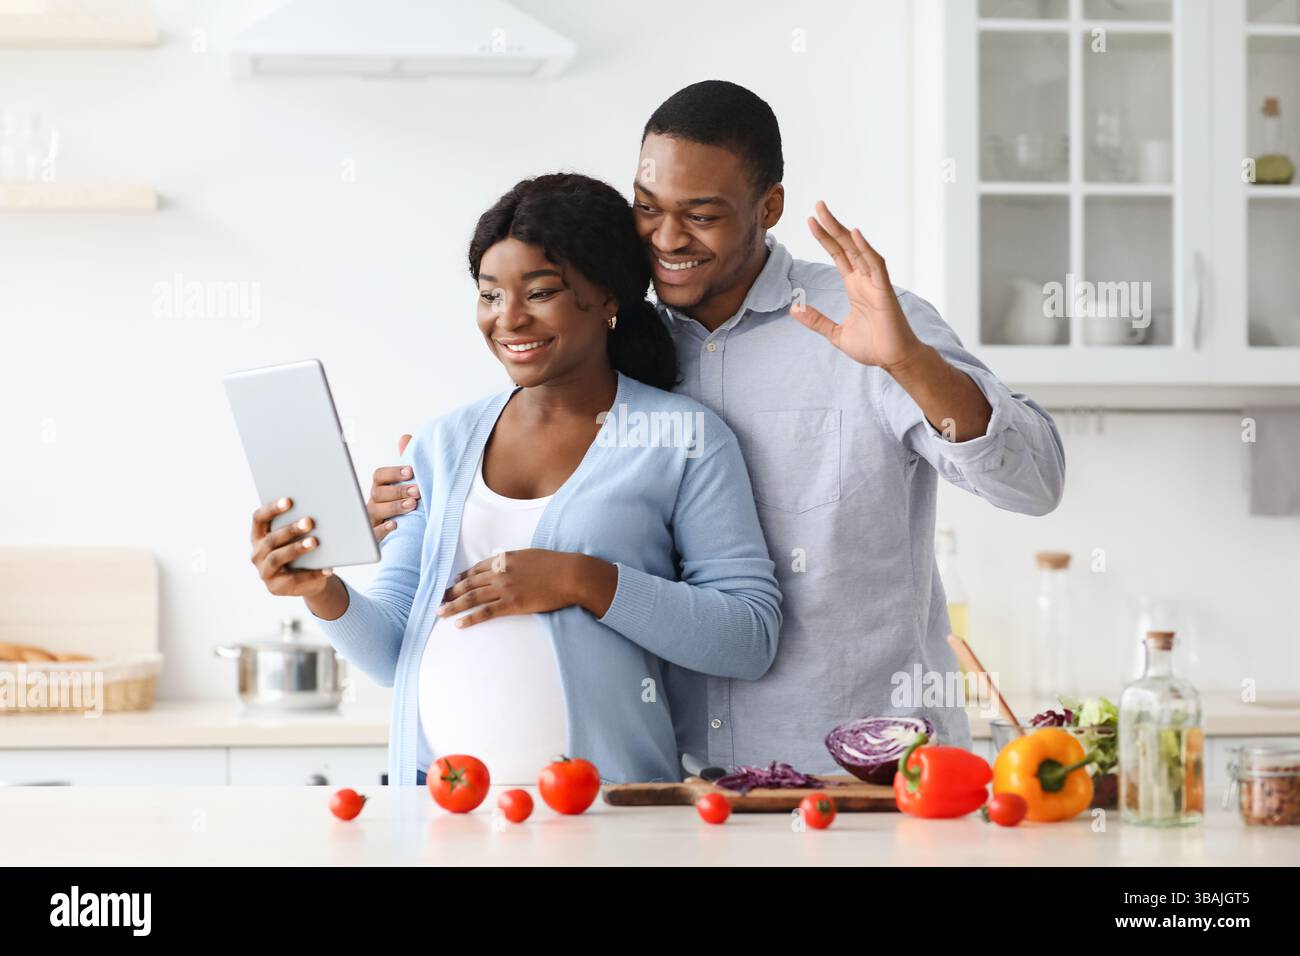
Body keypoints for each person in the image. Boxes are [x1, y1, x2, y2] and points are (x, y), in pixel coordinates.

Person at [369, 81, 1066, 774]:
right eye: (648, 210)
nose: (668, 239)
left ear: (770, 207)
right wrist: (423, 510)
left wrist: (909, 363)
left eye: (701, 216)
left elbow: (1034, 484)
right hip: (684, 786)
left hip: (866, 773)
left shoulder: (864, 320)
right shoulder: (607, 341)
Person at [248, 172, 781, 786]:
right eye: (490, 295)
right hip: (441, 813)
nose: (510, 319)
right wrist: (321, 590)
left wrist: (581, 579)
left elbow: (748, 637)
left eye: (540, 292)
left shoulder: (684, 438)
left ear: (608, 297)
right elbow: (396, 655)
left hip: (608, 817)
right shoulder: (439, 446)